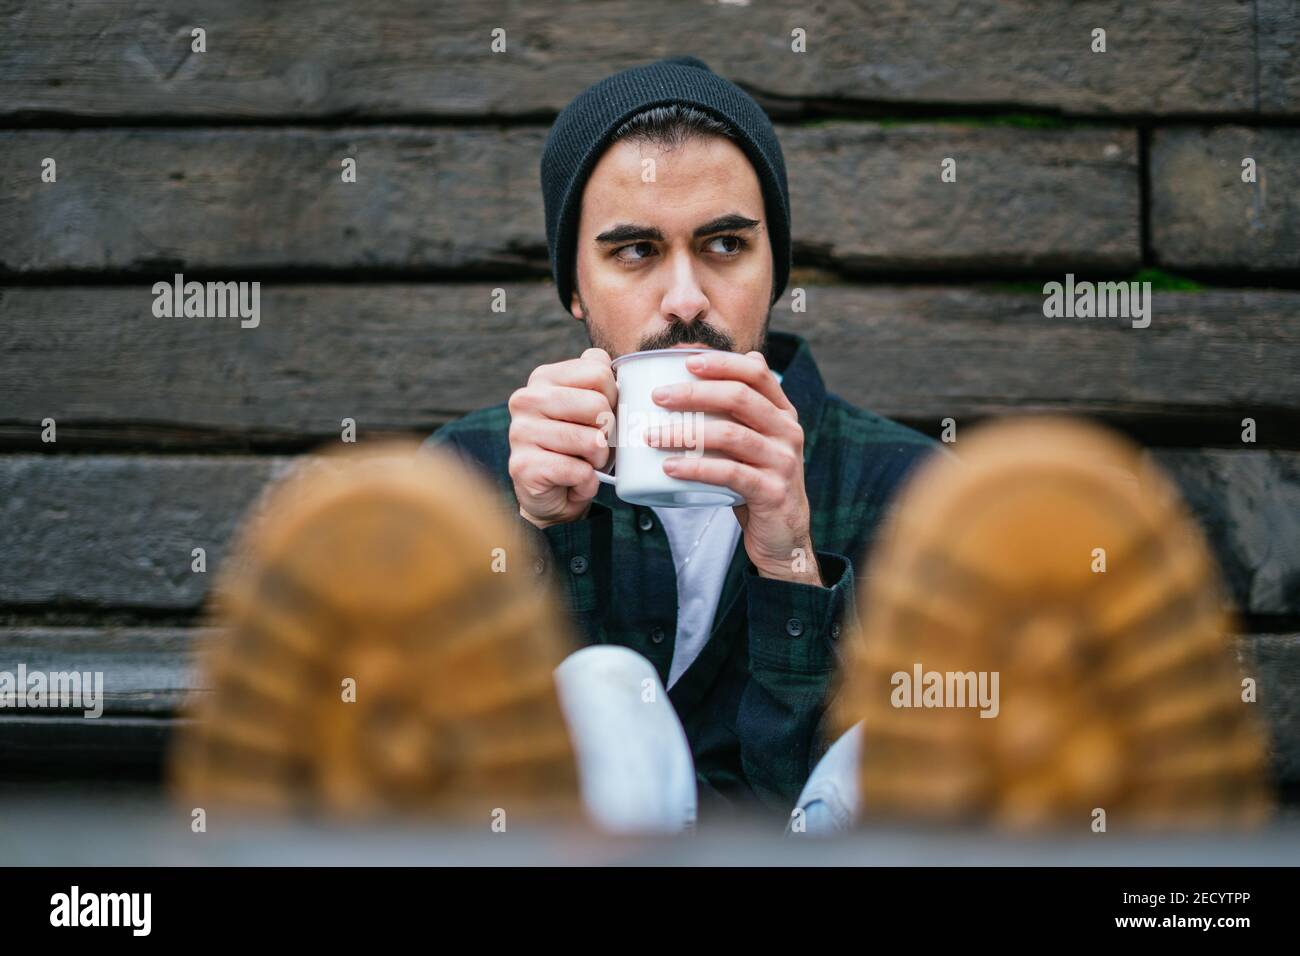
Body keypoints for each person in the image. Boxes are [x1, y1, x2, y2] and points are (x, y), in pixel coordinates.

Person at [425, 55, 937, 824]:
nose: (687, 300)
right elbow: (437, 787)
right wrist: (527, 538)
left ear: (776, 268)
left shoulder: (915, 493)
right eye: (635, 251)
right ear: (572, 286)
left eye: (726, 244)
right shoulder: (465, 477)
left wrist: (790, 564)